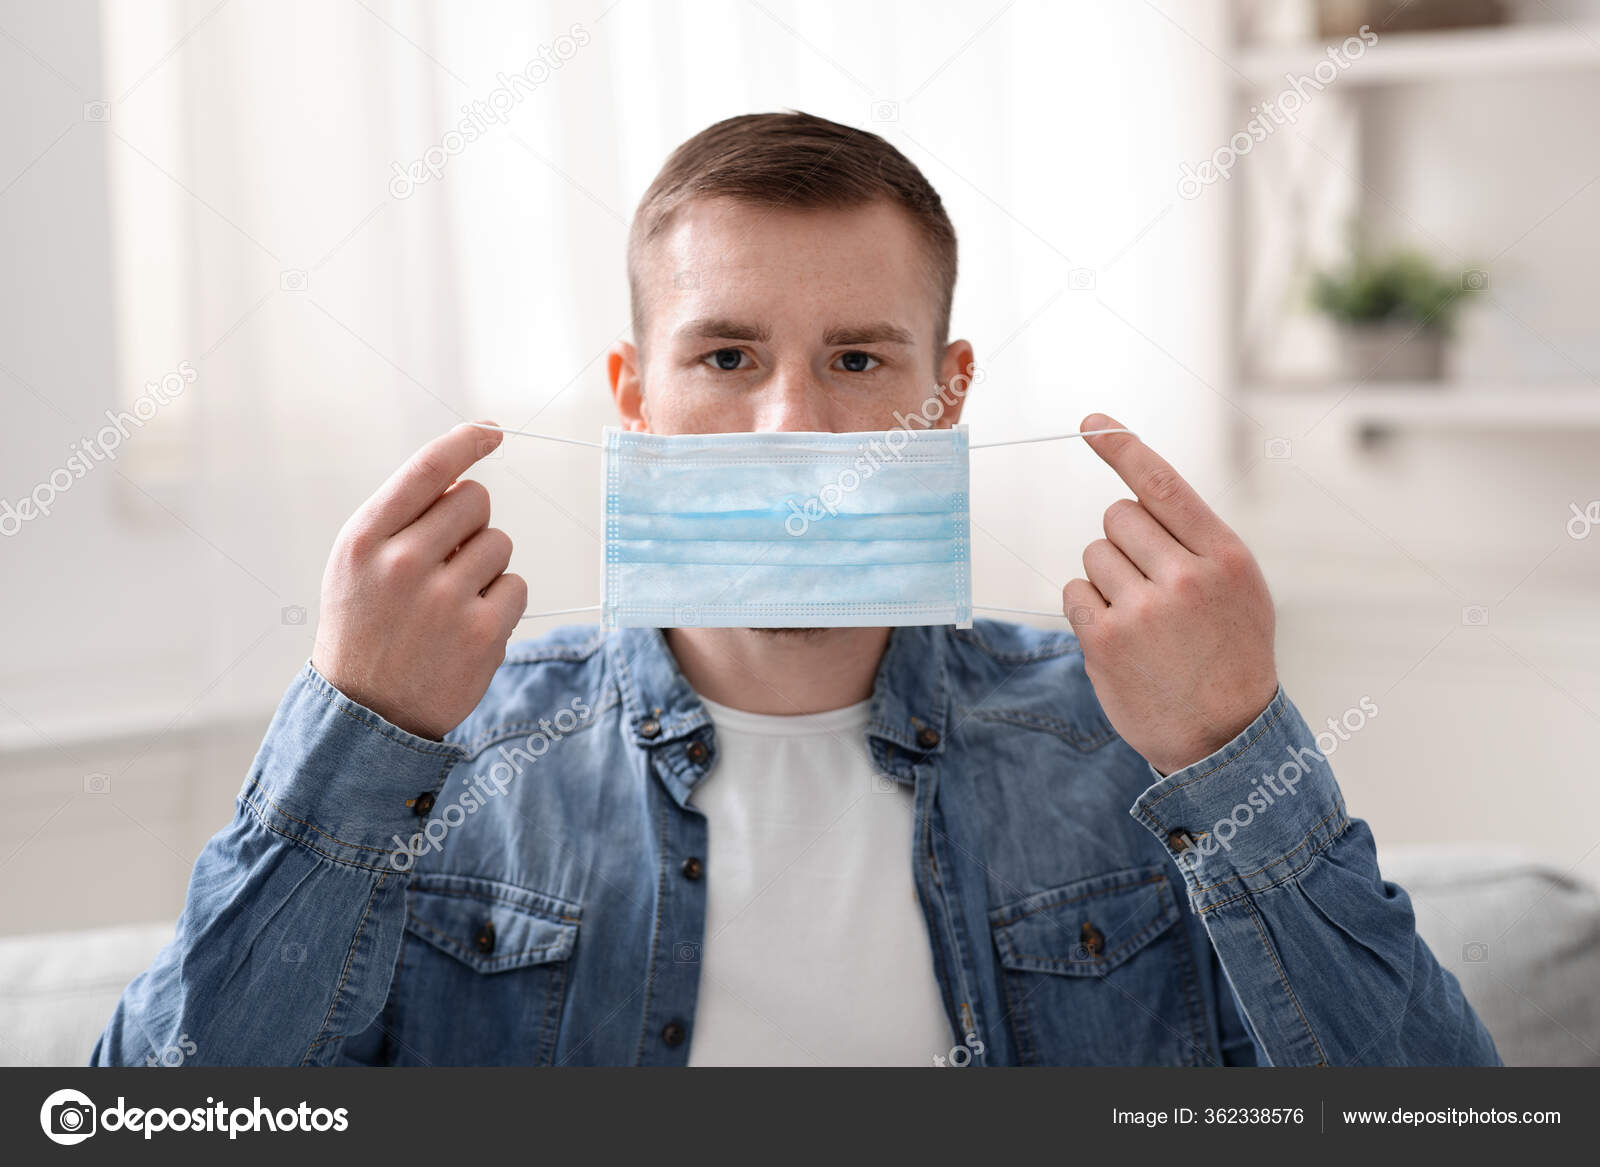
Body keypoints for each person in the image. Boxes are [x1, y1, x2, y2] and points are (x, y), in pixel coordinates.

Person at [93, 111, 1499, 1067]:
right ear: (632, 397)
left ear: (948, 394)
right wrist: (355, 730)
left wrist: (1236, 750)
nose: (794, 427)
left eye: (858, 360)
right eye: (726, 358)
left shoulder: (1131, 743)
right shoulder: (439, 757)